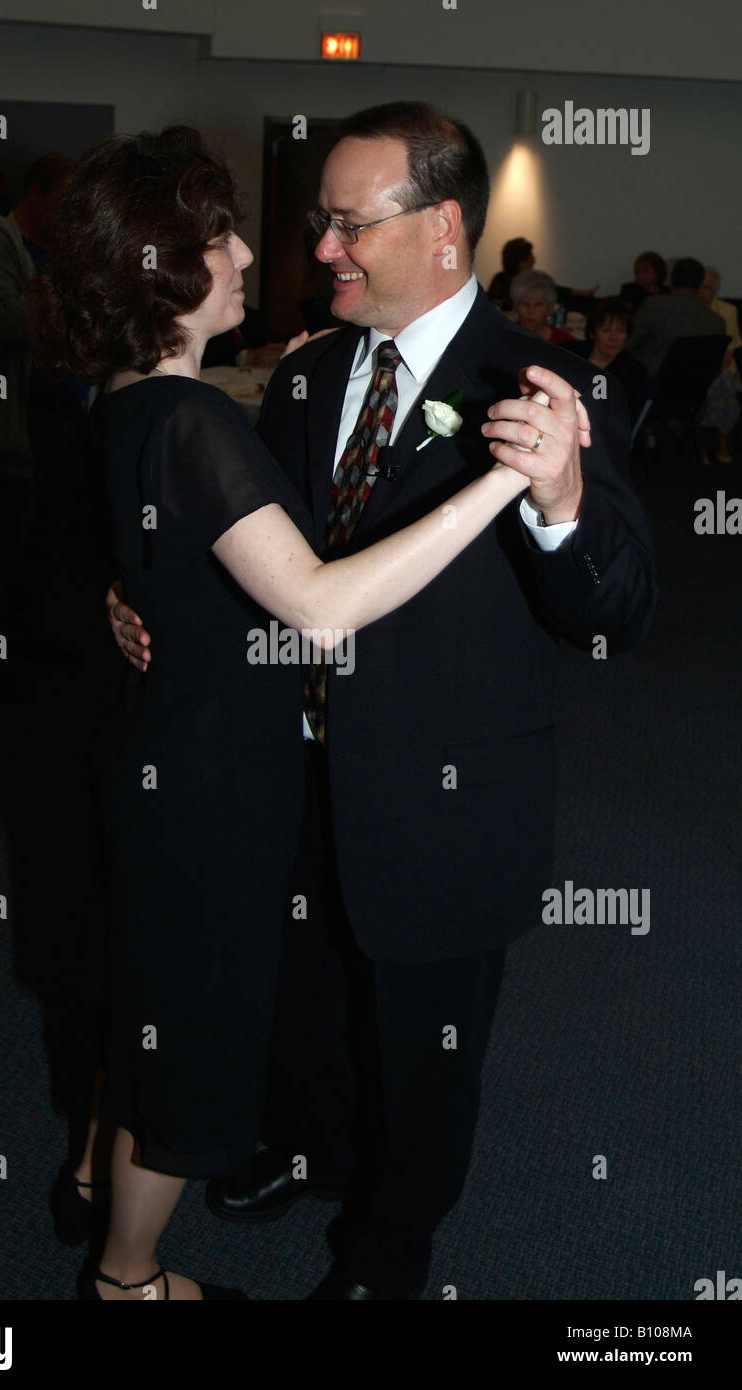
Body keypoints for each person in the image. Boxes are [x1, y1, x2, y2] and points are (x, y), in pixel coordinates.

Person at [107, 102, 657, 1300]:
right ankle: (306, 1149)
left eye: (349, 224)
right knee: (306, 998)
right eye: (319, 223)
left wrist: (559, 500)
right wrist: (126, 595)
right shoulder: (306, 378)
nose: (321, 250)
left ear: (444, 230)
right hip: (286, 775)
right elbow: (260, 552)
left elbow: (618, 606)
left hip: (446, 793)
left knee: (422, 1045)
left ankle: (387, 1243)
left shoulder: (543, 383)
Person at [0, 152, 82, 699]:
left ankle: (27, 638)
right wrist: (63, 300)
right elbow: (0, 321)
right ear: (35, 195)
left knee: (43, 537)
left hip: (56, 415)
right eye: (62, 202)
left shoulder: (58, 248)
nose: (69, 215)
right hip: (6, 420)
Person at [627, 257, 726, 378]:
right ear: (699, 284)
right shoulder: (717, 322)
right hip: (695, 389)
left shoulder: (653, 306)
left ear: (671, 280)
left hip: (651, 384)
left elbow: (628, 342)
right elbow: (716, 367)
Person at [567, 298, 648, 425]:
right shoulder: (571, 354)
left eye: (621, 331)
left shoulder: (636, 373)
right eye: (606, 330)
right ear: (592, 333)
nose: (614, 338)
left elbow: (626, 420)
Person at [698, 266, 741, 463]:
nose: (701, 291)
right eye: (698, 286)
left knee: (722, 384)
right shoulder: (688, 312)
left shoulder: (727, 311)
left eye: (707, 287)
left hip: (722, 368)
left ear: (715, 290)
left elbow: (729, 352)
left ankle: (721, 438)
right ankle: (699, 444)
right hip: (693, 369)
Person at [510, 269, 576, 344]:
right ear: (516, 307)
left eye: (538, 305)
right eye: (525, 304)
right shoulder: (504, 336)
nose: (531, 311)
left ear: (549, 308)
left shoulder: (564, 341)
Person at [486, 236, 534, 308]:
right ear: (521, 263)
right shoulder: (500, 282)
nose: (533, 262)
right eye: (530, 260)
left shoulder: (535, 282)